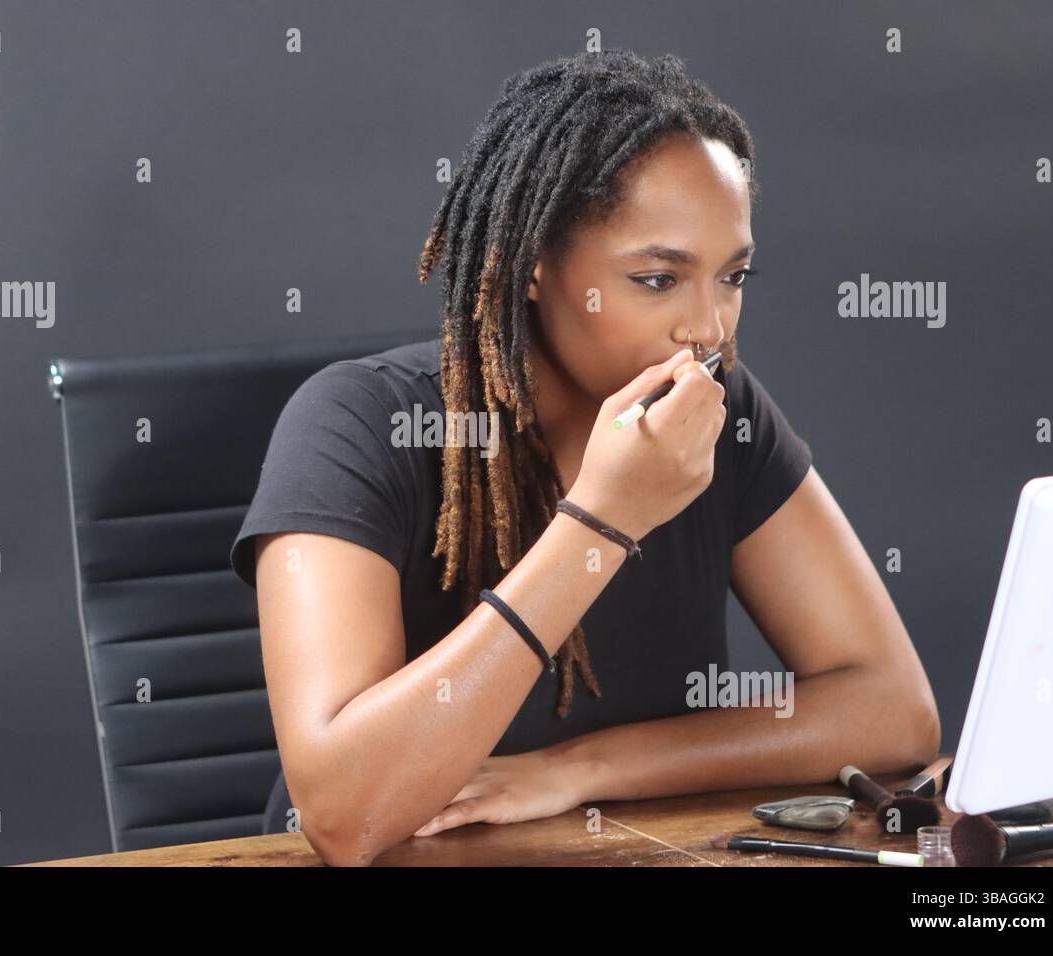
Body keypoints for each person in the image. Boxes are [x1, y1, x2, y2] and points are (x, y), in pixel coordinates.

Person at [229, 49, 940, 866]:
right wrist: (602, 520)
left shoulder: (722, 415)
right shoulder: (355, 424)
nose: (708, 329)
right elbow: (347, 816)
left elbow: (894, 709)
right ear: (533, 263)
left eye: (733, 276)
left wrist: (580, 770)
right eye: (656, 279)